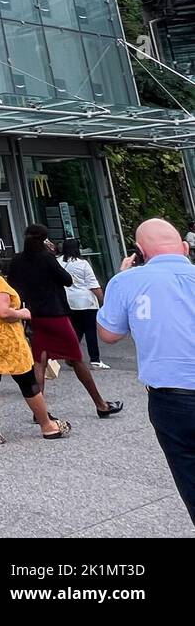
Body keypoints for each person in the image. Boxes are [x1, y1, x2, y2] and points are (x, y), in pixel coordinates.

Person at [98, 218, 195, 525]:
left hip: (172, 399)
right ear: (184, 247)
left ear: (139, 251)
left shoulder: (127, 281)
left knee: (189, 473)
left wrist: (122, 278)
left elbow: (109, 333)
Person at [0, 242, 68, 446]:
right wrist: (23, 313)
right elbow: (3, 312)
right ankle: (47, 425)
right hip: (5, 339)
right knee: (27, 381)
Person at [7, 224, 121, 420]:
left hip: (33, 315)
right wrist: (51, 255)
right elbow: (67, 280)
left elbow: (13, 285)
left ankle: (39, 410)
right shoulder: (46, 258)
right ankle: (101, 405)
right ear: (44, 240)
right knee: (76, 358)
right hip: (55, 313)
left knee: (39, 361)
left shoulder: (17, 260)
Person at [60, 238, 108, 369]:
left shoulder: (58, 262)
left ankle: (71, 356)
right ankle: (95, 359)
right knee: (90, 330)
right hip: (85, 301)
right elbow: (93, 284)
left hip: (67, 301)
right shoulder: (83, 264)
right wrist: (103, 301)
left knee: (75, 330)